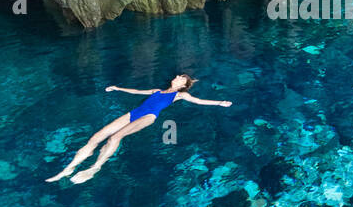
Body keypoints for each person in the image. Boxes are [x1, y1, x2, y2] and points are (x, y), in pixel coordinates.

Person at [45, 75, 232, 184]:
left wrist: (220, 102)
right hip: (133, 113)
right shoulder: (157, 91)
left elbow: (199, 101)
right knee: (97, 136)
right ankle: (68, 169)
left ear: (183, 85)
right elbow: (136, 91)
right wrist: (117, 88)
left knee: (115, 137)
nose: (176, 78)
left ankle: (95, 167)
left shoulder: (181, 94)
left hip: (148, 117)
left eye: (180, 78)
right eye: (177, 76)